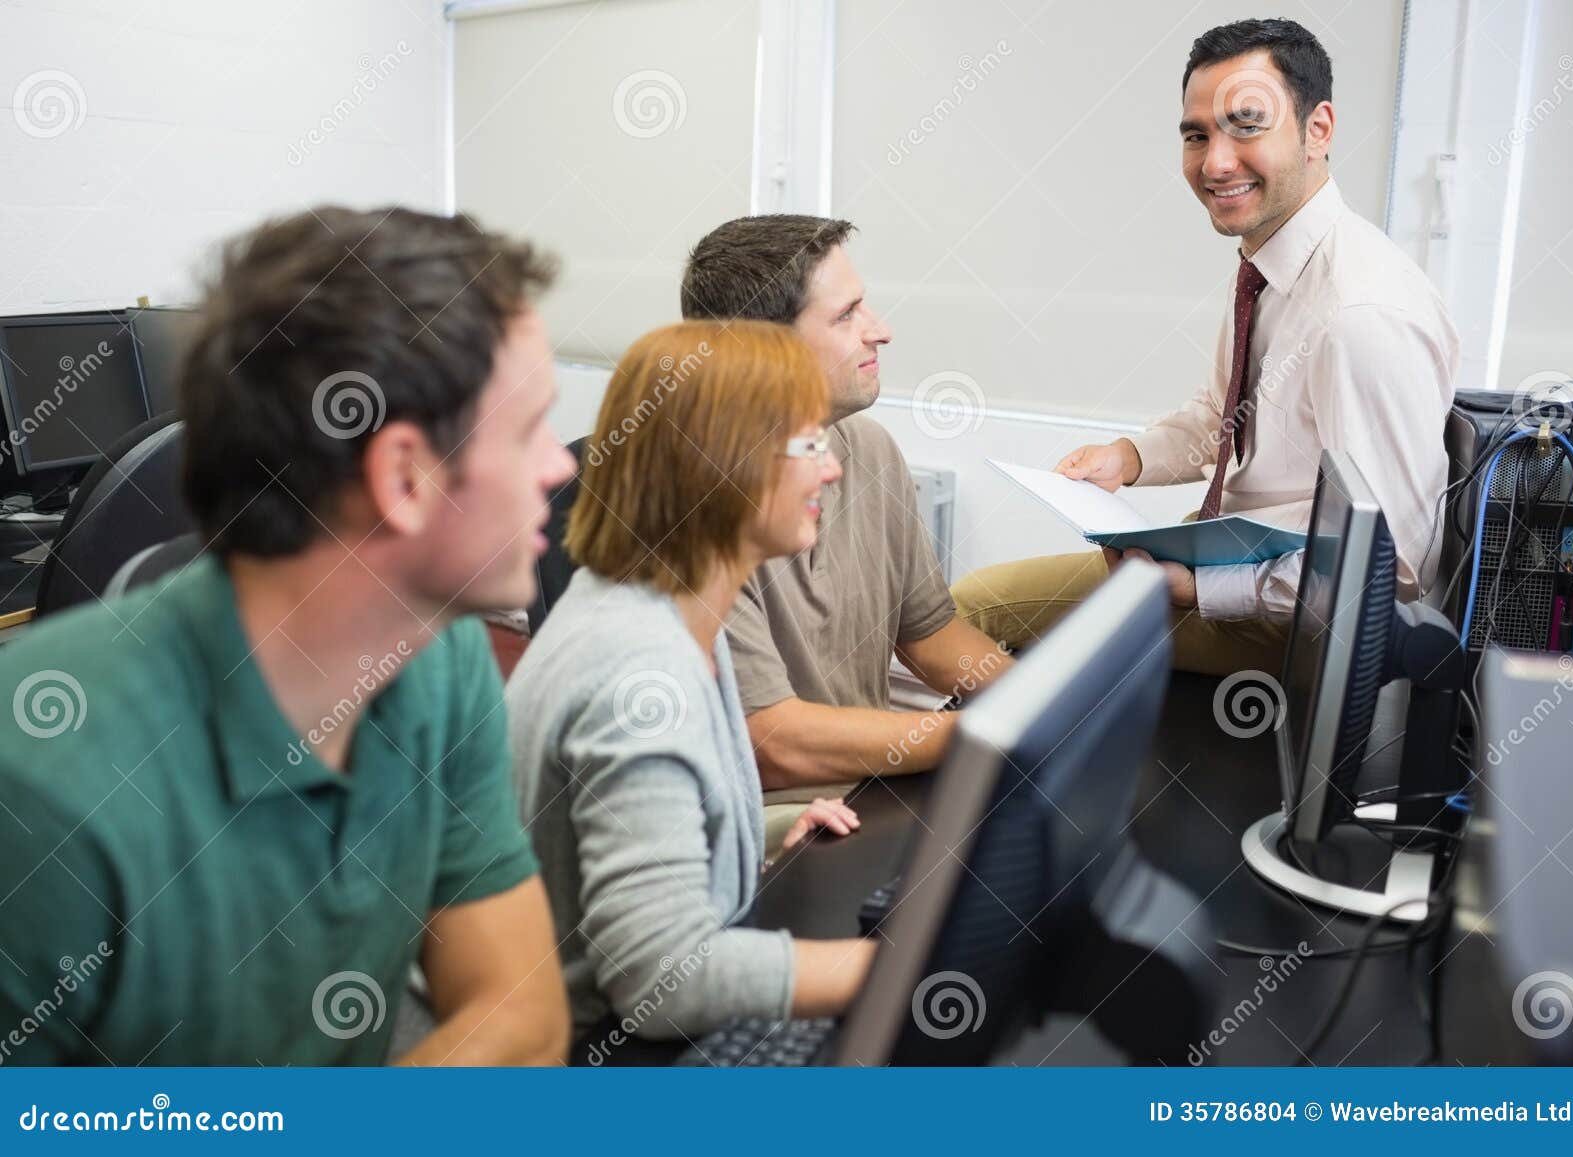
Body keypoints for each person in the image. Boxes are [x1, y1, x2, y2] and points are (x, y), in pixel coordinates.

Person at [0, 207, 573, 1065]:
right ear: (406, 477)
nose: (559, 465)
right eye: (529, 430)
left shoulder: (440, 653)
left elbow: (521, 1015)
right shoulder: (42, 791)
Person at [952, 18, 1458, 676]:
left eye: (1247, 125)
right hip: (1227, 557)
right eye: (1197, 135)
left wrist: (1204, 590)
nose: (1215, 162)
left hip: (1281, 628)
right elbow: (1228, 415)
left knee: (967, 610)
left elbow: (1397, 568)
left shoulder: (1360, 315)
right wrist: (1130, 458)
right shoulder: (1272, 260)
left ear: (1318, 130)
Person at [507, 320, 878, 1044]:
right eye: (809, 445)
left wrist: (752, 842)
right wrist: (904, 969)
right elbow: (664, 981)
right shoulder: (640, 672)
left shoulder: (661, 609)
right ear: (723, 465)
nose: (829, 468)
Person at [680, 216, 1013, 793]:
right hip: (775, 823)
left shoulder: (870, 449)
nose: (879, 331)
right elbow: (773, 745)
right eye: (845, 316)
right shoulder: (690, 500)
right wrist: (982, 736)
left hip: (868, 787)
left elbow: (930, 636)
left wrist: (1044, 704)